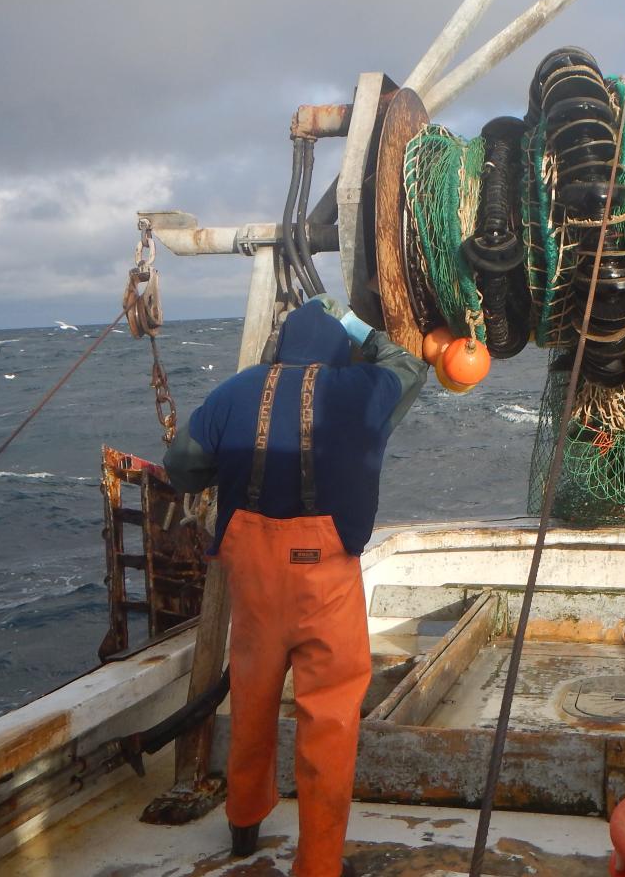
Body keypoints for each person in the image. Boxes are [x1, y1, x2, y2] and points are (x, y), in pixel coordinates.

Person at [163, 294, 426, 877]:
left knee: (252, 699)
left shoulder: (234, 391)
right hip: (325, 582)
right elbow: (410, 364)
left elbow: (181, 466)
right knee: (329, 719)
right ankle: (319, 863)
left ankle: (243, 823)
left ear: (278, 349)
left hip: (255, 584)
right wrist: (359, 327)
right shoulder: (360, 390)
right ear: (339, 351)